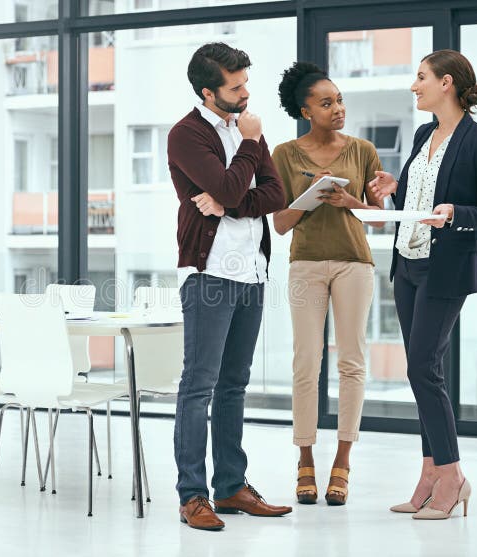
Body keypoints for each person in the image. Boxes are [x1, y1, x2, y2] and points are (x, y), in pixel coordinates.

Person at [368, 49, 477, 520]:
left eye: (421, 77)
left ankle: (452, 477)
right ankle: (429, 474)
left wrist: (455, 213)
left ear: (446, 82)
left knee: (422, 369)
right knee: (425, 371)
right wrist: (394, 186)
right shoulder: (426, 134)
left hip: (447, 268)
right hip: (407, 263)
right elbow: (418, 198)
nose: (414, 85)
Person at [167, 42, 291, 531]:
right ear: (208, 91)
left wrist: (228, 201)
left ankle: (232, 487)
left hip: (252, 274)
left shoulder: (244, 127)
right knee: (199, 387)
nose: (245, 94)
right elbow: (230, 187)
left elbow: (274, 196)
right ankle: (193, 496)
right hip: (209, 273)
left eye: (245, 84)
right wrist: (249, 149)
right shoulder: (187, 135)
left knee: (235, 386)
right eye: (235, 87)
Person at [271, 62, 386, 506]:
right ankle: (305, 460)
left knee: (352, 361)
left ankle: (343, 461)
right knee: (306, 361)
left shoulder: (362, 150)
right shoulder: (284, 154)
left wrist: (351, 199)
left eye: (339, 100)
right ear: (306, 110)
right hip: (305, 264)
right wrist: (311, 198)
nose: (338, 108)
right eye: (326, 103)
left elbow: (376, 219)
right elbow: (280, 224)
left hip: (354, 263)